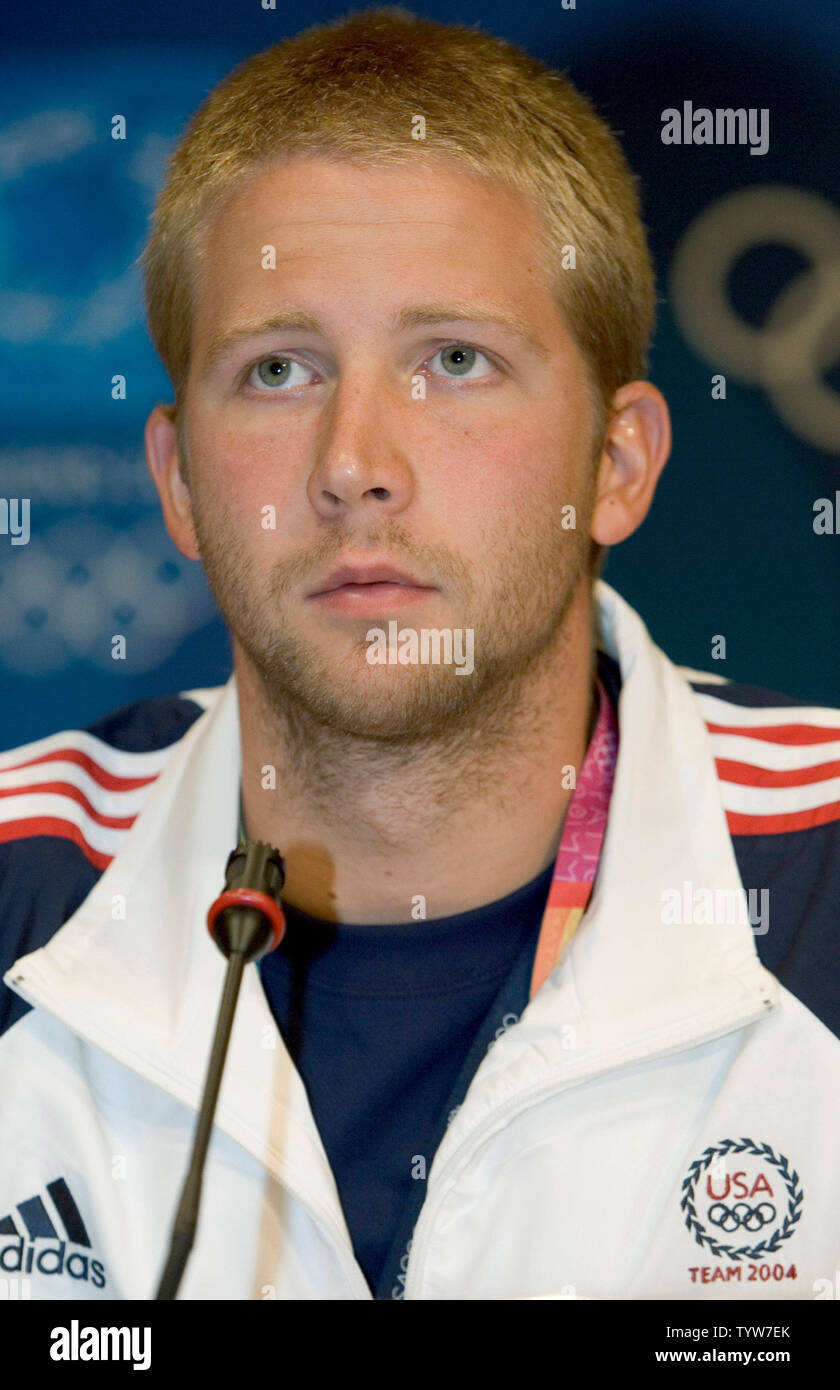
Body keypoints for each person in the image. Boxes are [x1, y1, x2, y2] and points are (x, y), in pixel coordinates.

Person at [1, 6, 837, 1302]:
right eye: (279, 370)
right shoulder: (18, 884)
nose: (354, 468)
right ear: (174, 479)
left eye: (455, 361)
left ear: (618, 465)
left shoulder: (824, 873)